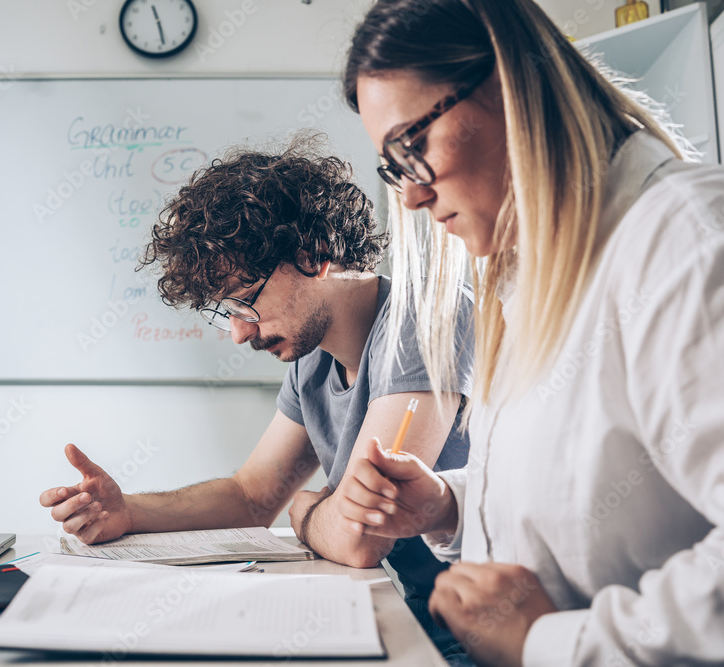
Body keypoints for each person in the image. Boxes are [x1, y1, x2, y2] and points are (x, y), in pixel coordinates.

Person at [334, 1, 724, 665]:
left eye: (414, 145)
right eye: (393, 166)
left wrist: (551, 642)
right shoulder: (531, 276)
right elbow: (602, 486)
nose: (409, 195)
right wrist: (445, 506)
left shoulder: (697, 243)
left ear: (512, 87)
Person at [38, 137, 476, 662]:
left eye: (245, 303)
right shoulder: (310, 356)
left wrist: (304, 509)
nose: (240, 335)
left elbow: (362, 540)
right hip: (395, 616)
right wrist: (128, 512)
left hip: (468, 640)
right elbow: (250, 496)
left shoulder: (420, 320)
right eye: (228, 313)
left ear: (313, 255)